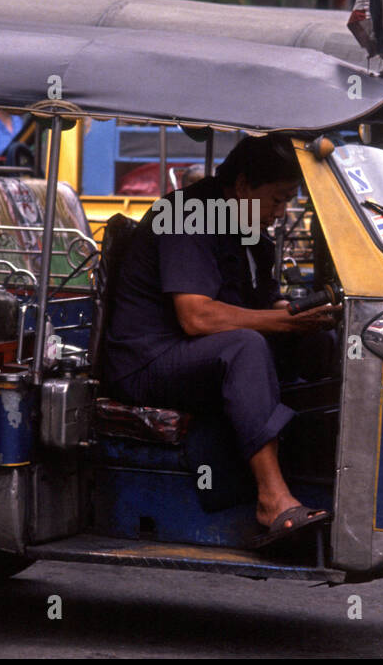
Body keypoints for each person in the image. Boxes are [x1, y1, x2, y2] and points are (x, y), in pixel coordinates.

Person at [102, 134, 337, 547]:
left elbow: (260, 302)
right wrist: (282, 321)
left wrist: (300, 314)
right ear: (243, 185)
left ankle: (324, 471)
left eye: (287, 203)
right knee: (246, 347)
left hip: (195, 357)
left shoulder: (248, 230)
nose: (281, 214)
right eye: (276, 201)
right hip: (147, 362)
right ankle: (272, 500)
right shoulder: (189, 213)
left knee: (324, 340)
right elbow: (196, 317)